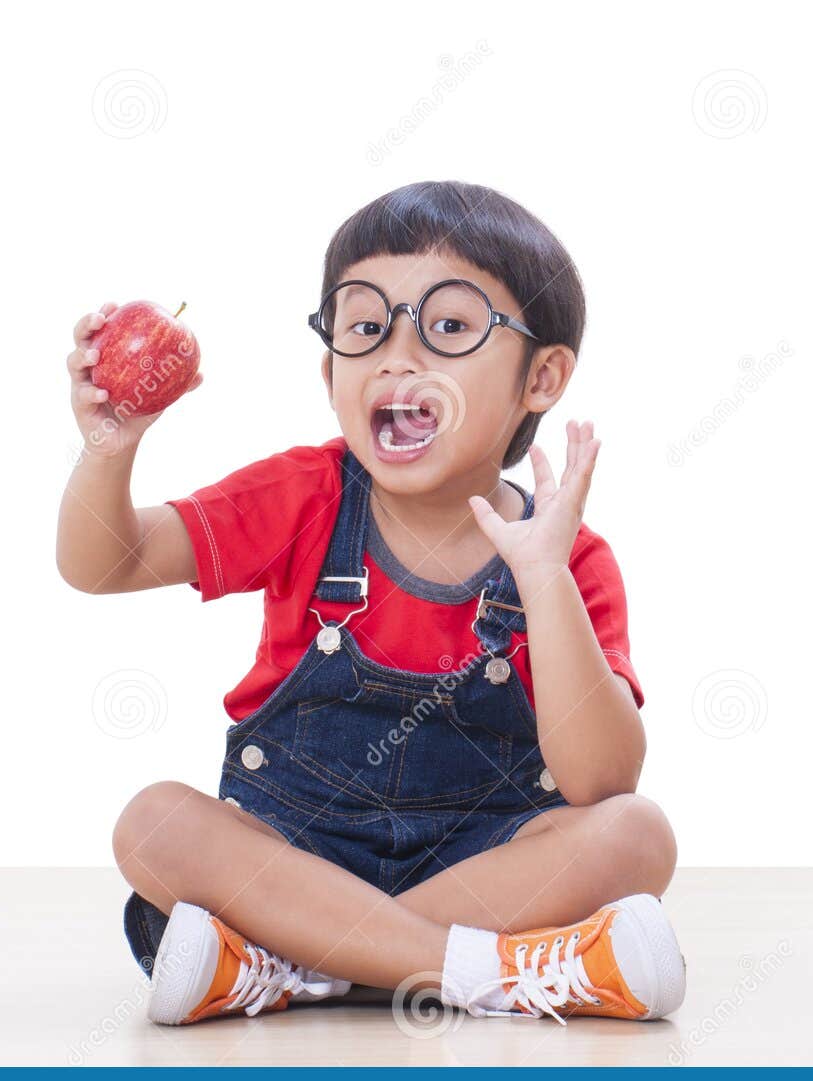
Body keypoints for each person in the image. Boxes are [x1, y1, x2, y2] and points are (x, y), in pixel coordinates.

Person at [57, 180, 684, 1027]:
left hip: (481, 864)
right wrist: (107, 447)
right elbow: (109, 562)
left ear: (543, 376)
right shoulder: (306, 496)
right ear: (329, 372)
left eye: (450, 327)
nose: (398, 355)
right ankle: (487, 972)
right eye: (364, 327)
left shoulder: (568, 556)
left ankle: (288, 962)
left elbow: (603, 779)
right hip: (294, 854)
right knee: (153, 823)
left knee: (637, 835)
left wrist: (545, 581)